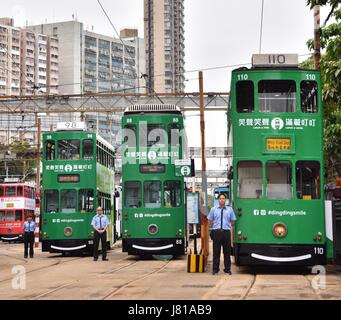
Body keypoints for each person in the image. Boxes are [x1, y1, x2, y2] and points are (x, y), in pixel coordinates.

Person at [208, 193, 236, 275]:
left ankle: (227, 269)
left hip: (226, 232)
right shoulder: (213, 209)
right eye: (220, 198)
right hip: (216, 232)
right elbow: (210, 219)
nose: (222, 200)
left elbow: (233, 221)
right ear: (218, 200)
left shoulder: (230, 209)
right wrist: (214, 226)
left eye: (223, 198)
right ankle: (215, 270)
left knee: (227, 252)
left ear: (225, 200)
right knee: (216, 252)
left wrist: (228, 226)